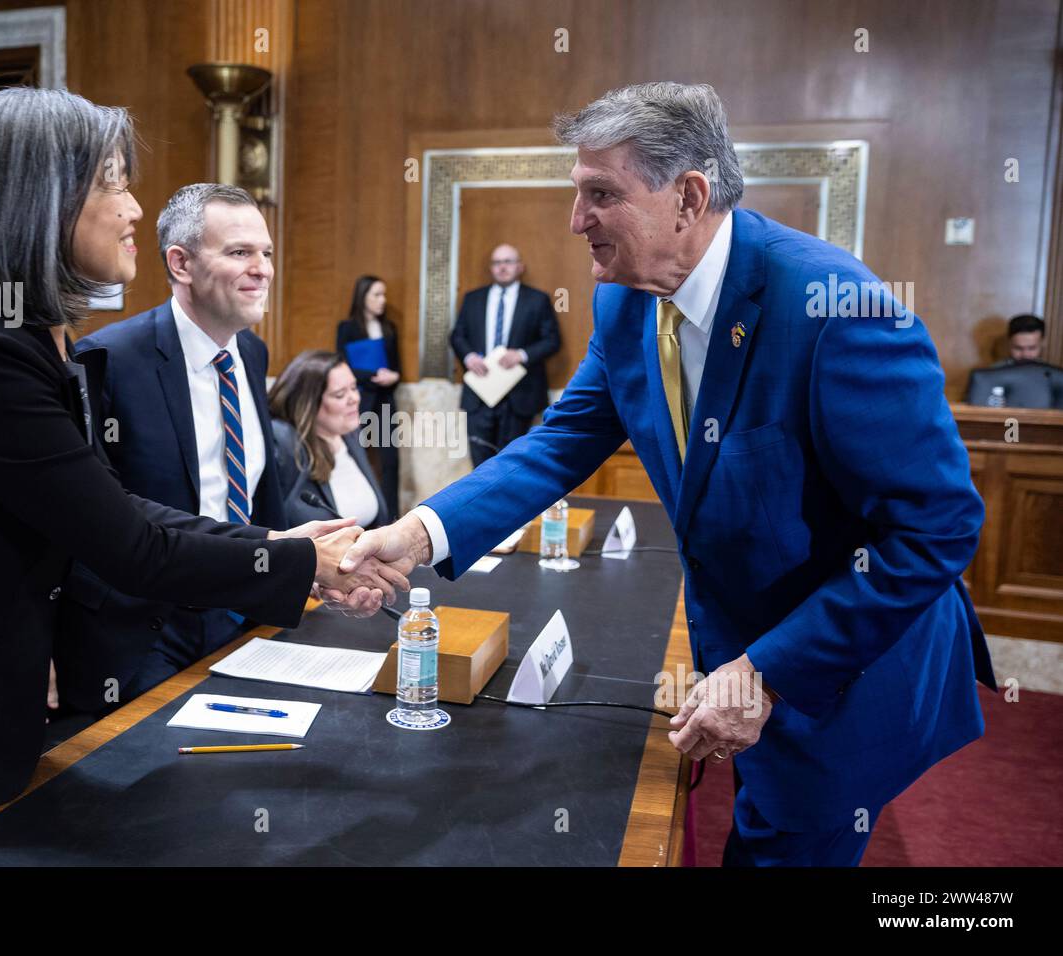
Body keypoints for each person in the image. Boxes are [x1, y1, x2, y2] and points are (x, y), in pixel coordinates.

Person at [337, 82, 995, 867]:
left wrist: (767, 673)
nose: (576, 221)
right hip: (742, 642)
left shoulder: (837, 308)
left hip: (846, 667)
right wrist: (417, 534)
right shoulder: (624, 303)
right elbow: (562, 441)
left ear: (687, 196)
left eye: (600, 195)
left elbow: (939, 528)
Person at [0, 87, 409, 867]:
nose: (134, 207)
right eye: (112, 182)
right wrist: (302, 561)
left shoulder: (22, 336)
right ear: (39, 200)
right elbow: (127, 544)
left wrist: (276, 544)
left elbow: (106, 504)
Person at [57, 183, 295, 712]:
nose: (263, 269)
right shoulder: (106, 357)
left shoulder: (251, 352)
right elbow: (78, 513)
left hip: (239, 608)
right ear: (181, 263)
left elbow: (258, 491)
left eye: (267, 253)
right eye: (240, 252)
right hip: (142, 630)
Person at [450, 245, 561, 466]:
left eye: (508, 262)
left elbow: (552, 341)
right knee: (480, 466)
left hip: (519, 398)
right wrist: (468, 356)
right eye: (497, 262)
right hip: (480, 395)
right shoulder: (473, 298)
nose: (502, 267)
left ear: (520, 266)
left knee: (512, 465)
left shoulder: (538, 300)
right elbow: (457, 336)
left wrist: (521, 354)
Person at [269, 350, 390, 529]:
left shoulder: (350, 433)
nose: (355, 399)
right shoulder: (284, 444)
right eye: (340, 394)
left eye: (354, 388)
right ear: (307, 403)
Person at [336, 275, 400, 511]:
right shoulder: (347, 328)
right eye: (377, 294)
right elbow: (343, 366)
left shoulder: (389, 328)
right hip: (358, 400)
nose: (382, 300)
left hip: (385, 401)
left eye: (383, 295)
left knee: (390, 461)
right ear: (363, 297)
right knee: (354, 456)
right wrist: (373, 375)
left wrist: (393, 376)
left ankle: (391, 514)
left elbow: (397, 368)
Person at [964, 314, 1063, 408]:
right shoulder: (990, 375)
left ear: (1042, 343)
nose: (1025, 354)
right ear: (1009, 343)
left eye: (1032, 348)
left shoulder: (1057, 377)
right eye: (1018, 348)